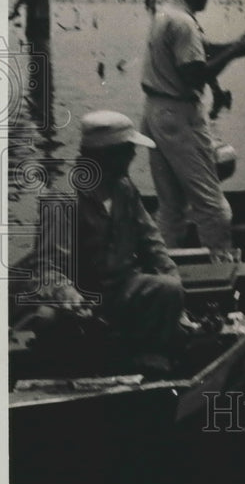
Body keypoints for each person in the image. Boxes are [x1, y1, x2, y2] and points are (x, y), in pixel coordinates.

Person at [23, 111, 197, 371]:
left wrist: (176, 285)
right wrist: (67, 293)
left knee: (169, 289)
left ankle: (146, 356)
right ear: (107, 155)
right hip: (86, 297)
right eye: (128, 150)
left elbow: (152, 242)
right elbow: (48, 269)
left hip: (122, 288)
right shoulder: (63, 200)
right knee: (51, 319)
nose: (133, 156)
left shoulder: (124, 188)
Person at [140, 0, 245, 257]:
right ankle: (220, 274)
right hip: (179, 116)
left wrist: (235, 45)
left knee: (170, 206)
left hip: (154, 113)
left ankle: (167, 271)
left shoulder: (167, 13)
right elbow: (195, 76)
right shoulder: (184, 24)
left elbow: (198, 52)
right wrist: (233, 54)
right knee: (213, 207)